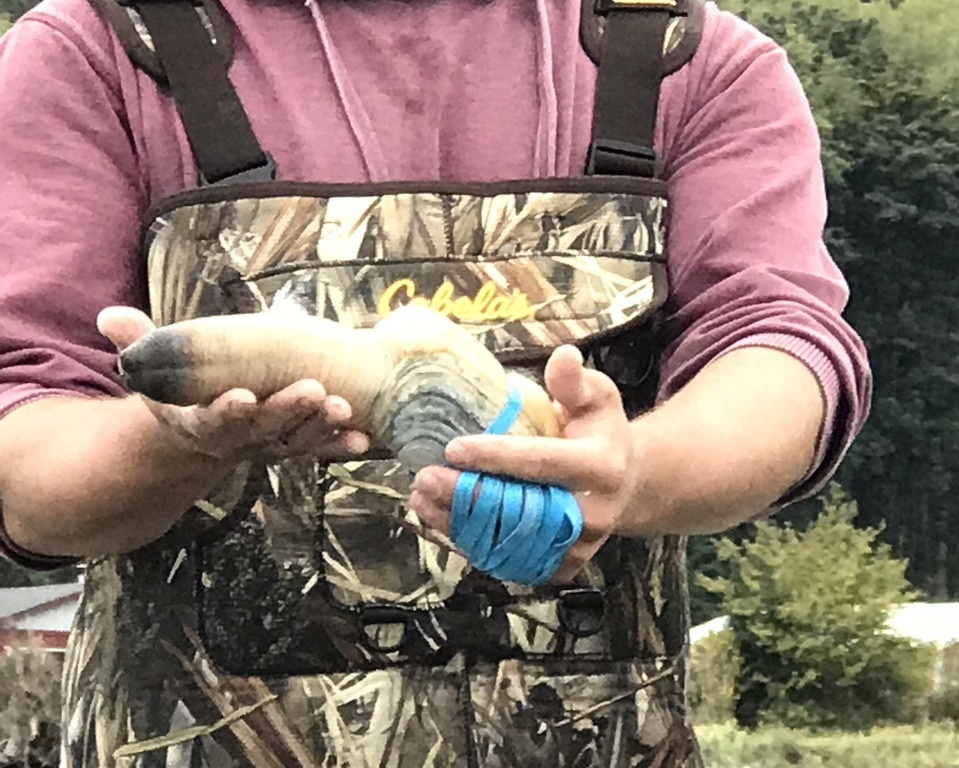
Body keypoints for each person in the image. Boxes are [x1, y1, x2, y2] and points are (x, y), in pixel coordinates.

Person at [0, 0, 872, 763]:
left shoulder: (691, 59)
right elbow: (26, 466)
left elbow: (781, 353)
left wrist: (634, 471)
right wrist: (170, 442)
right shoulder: (95, 53)